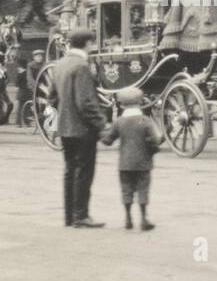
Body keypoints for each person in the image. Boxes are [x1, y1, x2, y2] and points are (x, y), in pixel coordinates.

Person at [50, 29, 107, 228]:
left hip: (65, 128)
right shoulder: (82, 65)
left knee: (69, 170)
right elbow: (86, 103)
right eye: (92, 42)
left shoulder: (60, 64)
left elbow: (52, 98)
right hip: (83, 129)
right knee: (84, 172)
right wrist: (102, 125)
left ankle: (69, 216)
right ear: (87, 43)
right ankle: (81, 215)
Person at [102, 87, 162, 231]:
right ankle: (143, 218)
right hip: (143, 163)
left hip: (125, 164)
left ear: (121, 105)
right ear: (140, 102)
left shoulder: (119, 122)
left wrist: (100, 133)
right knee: (143, 190)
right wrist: (154, 150)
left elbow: (108, 140)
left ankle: (128, 218)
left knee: (126, 190)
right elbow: (154, 141)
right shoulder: (146, 121)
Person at [16, 49, 45, 126]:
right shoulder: (30, 65)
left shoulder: (45, 65)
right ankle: (34, 117)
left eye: (41, 56)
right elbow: (29, 77)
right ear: (34, 57)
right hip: (34, 86)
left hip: (44, 86)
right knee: (34, 103)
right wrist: (36, 85)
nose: (40, 58)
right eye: (38, 56)